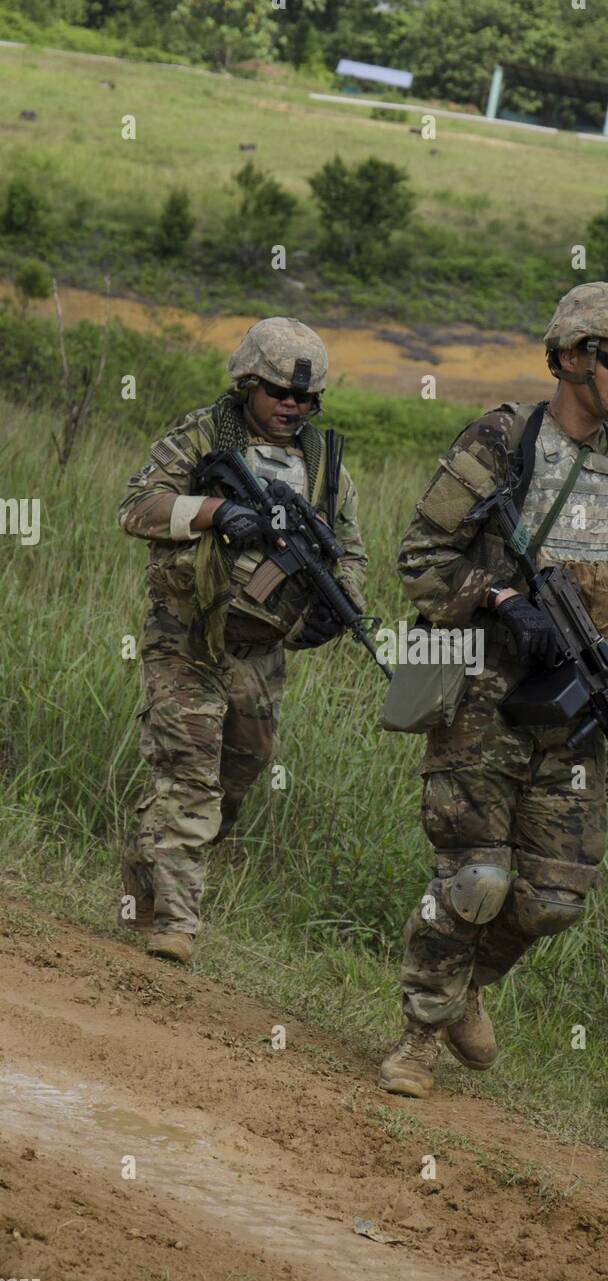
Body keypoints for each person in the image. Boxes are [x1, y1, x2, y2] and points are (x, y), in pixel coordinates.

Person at [380, 282, 608, 1098]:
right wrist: (502, 599)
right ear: (572, 357)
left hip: (579, 710)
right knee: (475, 880)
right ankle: (418, 1039)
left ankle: (468, 985)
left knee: (553, 897)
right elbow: (419, 558)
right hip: (481, 696)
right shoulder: (507, 439)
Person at [118, 317, 367, 964]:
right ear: (246, 384)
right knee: (190, 774)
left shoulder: (322, 462)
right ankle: (176, 923)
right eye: (280, 392)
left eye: (306, 398)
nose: (293, 406)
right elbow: (137, 509)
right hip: (188, 636)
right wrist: (214, 512)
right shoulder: (202, 436)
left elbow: (351, 551)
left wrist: (341, 607)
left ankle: (147, 863)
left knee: (236, 778)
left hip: (261, 650)